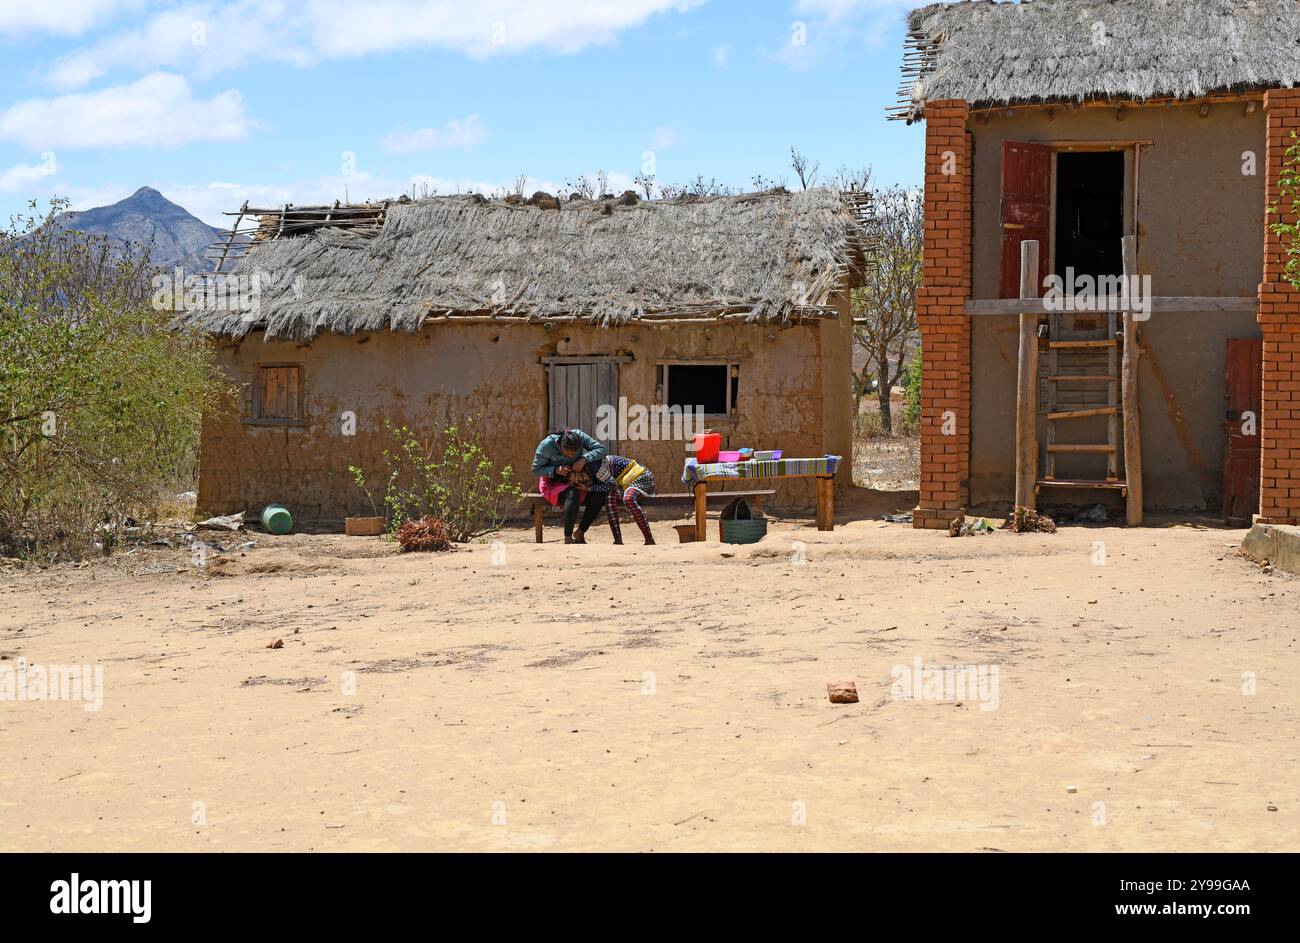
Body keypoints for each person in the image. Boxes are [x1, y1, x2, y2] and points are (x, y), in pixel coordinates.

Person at [532, 428, 608, 544]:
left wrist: (584, 459)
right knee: (572, 494)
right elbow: (536, 470)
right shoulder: (546, 445)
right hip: (552, 482)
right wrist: (556, 469)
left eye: (574, 453)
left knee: (598, 495)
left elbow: (602, 449)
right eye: (567, 452)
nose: (570, 456)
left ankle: (580, 532)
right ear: (560, 445)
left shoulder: (579, 436)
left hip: (576, 479)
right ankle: (568, 537)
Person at [589, 453, 657, 545]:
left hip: (640, 478)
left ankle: (649, 539)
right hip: (623, 485)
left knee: (628, 498)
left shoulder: (598, 469)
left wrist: (588, 488)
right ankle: (618, 540)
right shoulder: (590, 472)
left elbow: (611, 485)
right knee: (609, 498)